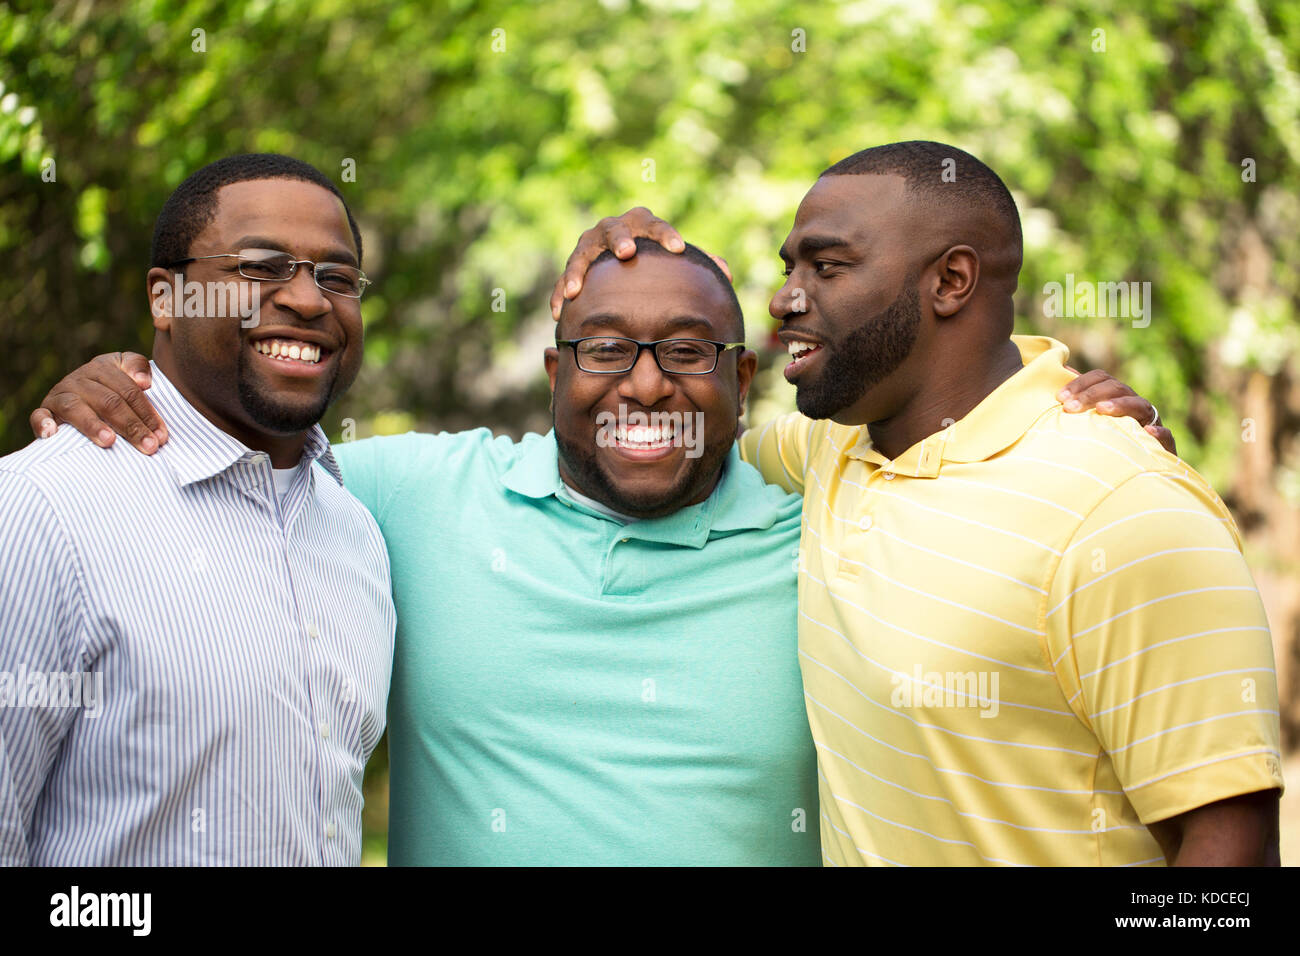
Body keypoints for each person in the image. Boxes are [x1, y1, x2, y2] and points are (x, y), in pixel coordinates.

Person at [28, 209, 1163, 867]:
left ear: (742, 379)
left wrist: (1065, 416)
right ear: (553, 373)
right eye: (606, 348)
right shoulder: (407, 497)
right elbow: (238, 461)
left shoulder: (830, 519)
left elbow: (963, 457)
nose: (646, 382)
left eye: (685, 350)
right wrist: (126, 384)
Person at [550, 141, 1283, 866]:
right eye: (789, 269)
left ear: (952, 280)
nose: (782, 299)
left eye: (827, 266)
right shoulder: (828, 452)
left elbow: (1229, 861)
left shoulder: (1124, 509)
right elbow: (665, 439)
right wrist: (623, 252)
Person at [0, 154, 395, 865]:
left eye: (336, 277)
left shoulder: (356, 532)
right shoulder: (43, 509)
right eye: (259, 267)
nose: (308, 300)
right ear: (165, 298)